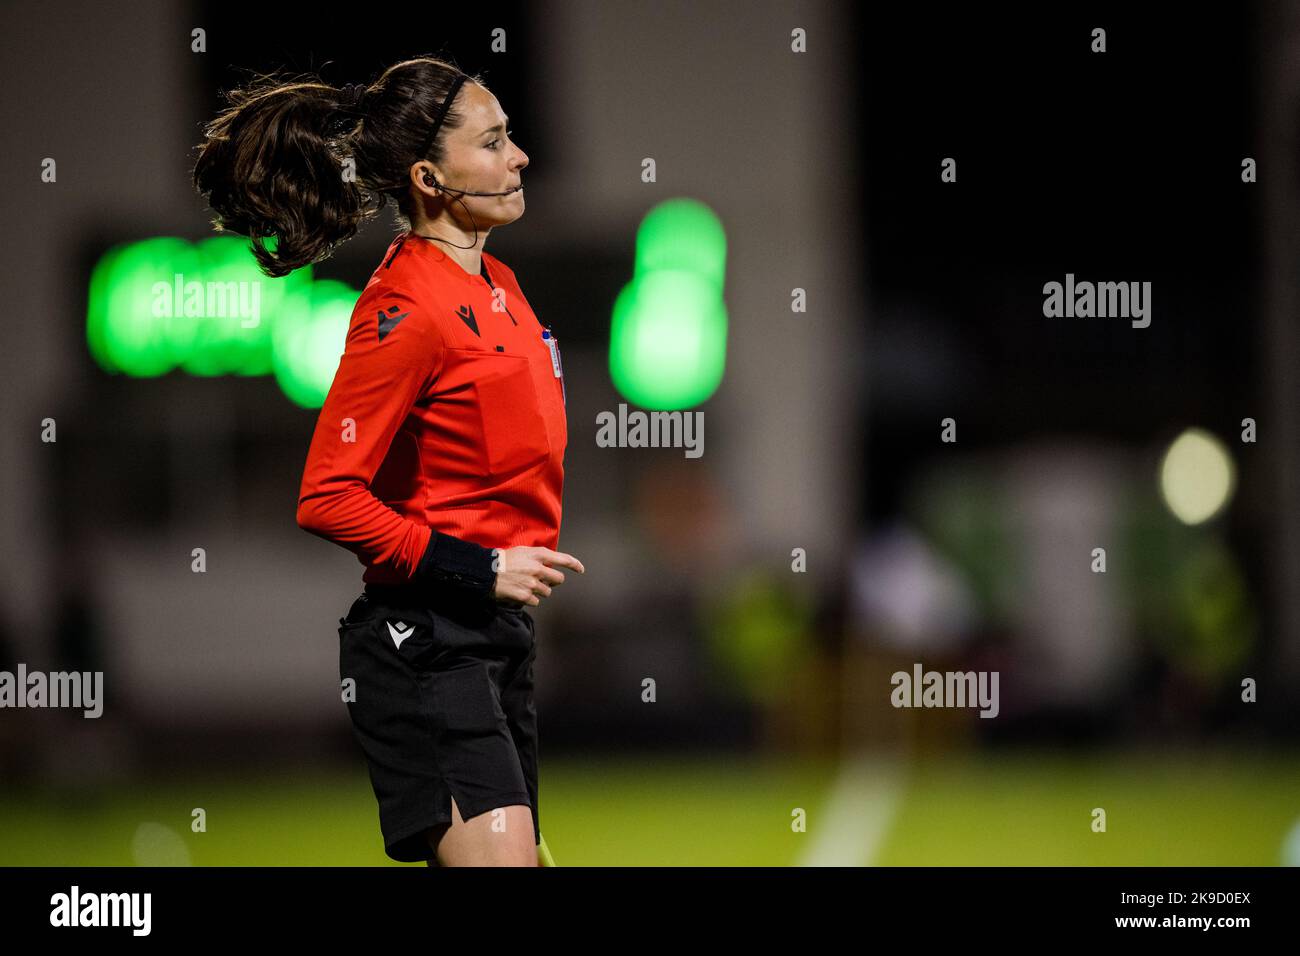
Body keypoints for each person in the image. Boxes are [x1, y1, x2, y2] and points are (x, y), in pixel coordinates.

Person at [192, 56, 583, 866]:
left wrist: (494, 588)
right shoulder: (404, 308)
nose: (520, 157)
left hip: (498, 637)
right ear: (430, 177)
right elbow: (326, 497)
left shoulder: (502, 282)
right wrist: (480, 570)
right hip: (426, 640)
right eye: (495, 141)